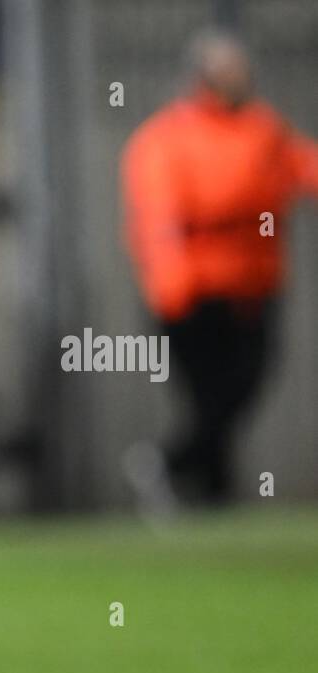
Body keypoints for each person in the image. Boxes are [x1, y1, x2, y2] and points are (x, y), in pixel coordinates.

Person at [120, 29, 318, 506]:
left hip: (253, 286)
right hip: (195, 290)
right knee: (211, 396)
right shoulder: (167, 138)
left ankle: (179, 474)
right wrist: (171, 284)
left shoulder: (263, 129)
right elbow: (156, 218)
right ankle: (202, 486)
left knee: (245, 383)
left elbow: (303, 167)